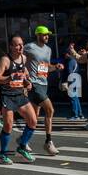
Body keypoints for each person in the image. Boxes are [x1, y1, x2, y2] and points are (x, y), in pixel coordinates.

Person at [0, 34, 39, 164]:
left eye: (22, 44)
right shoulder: (5, 60)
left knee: (33, 121)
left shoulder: (24, 58)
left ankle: (22, 147)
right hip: (7, 96)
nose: (20, 47)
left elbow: (25, 74)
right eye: (17, 45)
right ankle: (3, 154)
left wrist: (27, 82)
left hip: (20, 95)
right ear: (11, 46)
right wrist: (9, 79)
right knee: (8, 125)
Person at [25, 25, 64, 156]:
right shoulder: (29, 47)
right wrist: (24, 74)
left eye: (48, 34)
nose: (47, 36)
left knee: (34, 117)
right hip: (33, 83)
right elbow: (19, 59)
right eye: (45, 34)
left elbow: (46, 67)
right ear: (38, 35)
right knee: (50, 110)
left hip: (43, 83)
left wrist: (56, 67)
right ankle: (48, 142)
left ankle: (24, 141)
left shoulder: (48, 49)